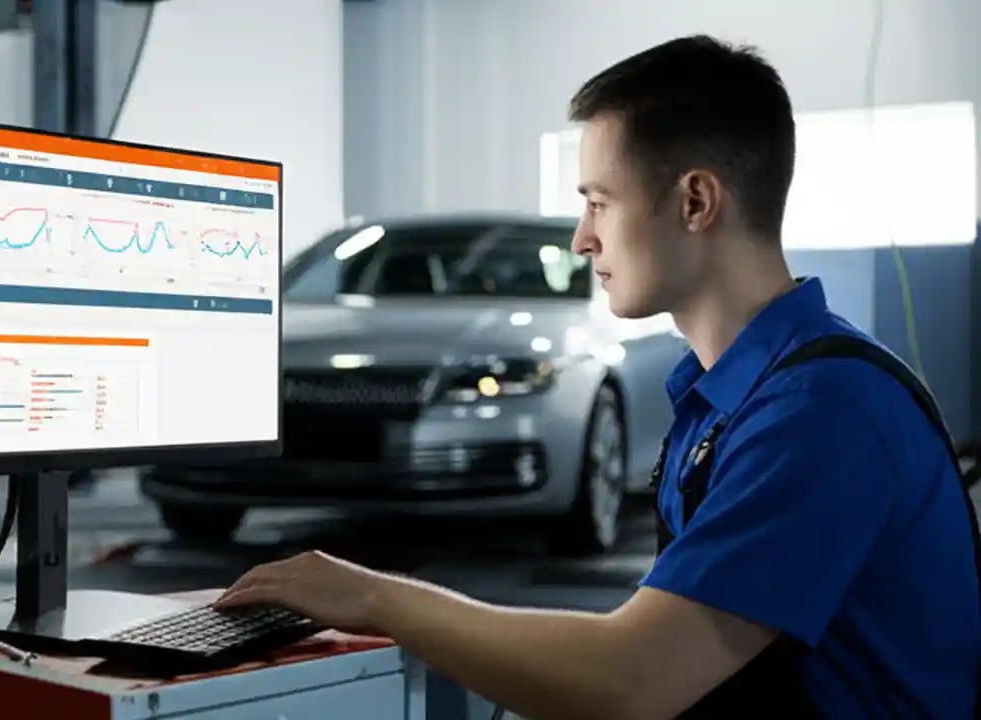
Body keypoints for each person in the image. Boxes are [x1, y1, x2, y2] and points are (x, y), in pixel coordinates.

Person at [215, 35, 981, 718]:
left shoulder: (822, 412)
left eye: (598, 203)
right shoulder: (726, 395)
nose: (583, 237)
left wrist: (373, 595)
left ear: (695, 201)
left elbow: (634, 681)